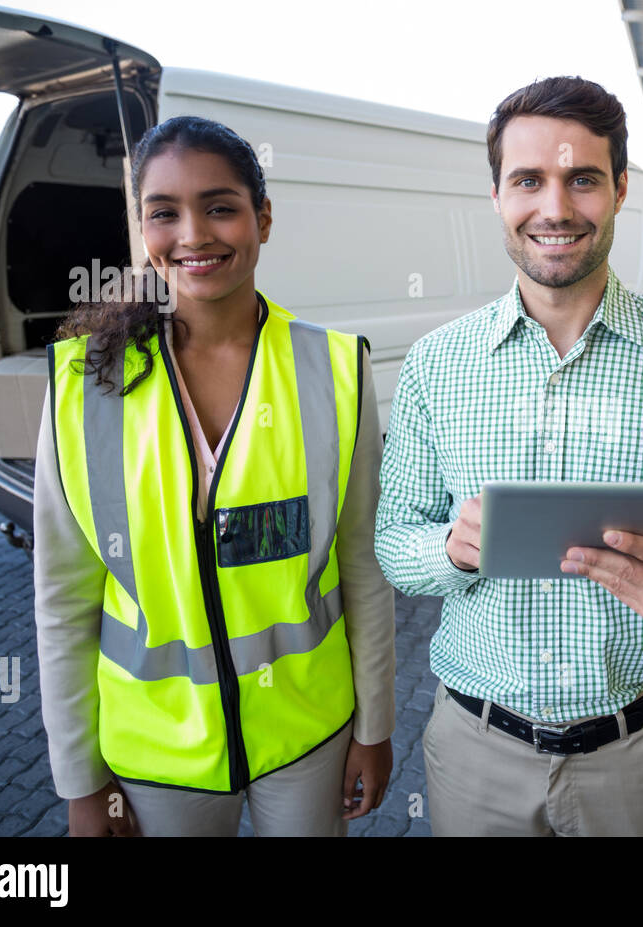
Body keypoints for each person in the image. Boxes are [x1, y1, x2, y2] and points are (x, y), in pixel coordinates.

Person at [374, 77, 643, 837]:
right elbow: (394, 543)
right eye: (529, 180)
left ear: (620, 189)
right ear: (496, 194)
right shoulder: (435, 366)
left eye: (582, 179)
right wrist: (450, 551)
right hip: (473, 751)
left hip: (635, 757)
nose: (555, 209)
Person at [33, 116, 395, 836]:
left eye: (220, 206)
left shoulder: (335, 369)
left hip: (309, 732)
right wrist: (80, 780)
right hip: (155, 750)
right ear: (141, 227)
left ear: (263, 218)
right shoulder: (81, 384)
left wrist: (375, 726)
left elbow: (363, 567)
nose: (193, 234)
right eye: (164, 212)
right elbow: (63, 599)